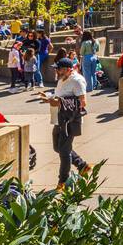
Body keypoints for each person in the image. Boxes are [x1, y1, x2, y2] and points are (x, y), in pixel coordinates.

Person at [42, 58, 90, 192]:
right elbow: (61, 96)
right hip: (58, 118)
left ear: (69, 69)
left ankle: (63, 181)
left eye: (59, 68)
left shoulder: (77, 80)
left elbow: (82, 102)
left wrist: (59, 102)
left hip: (70, 121)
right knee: (58, 147)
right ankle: (82, 165)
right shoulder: (62, 79)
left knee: (64, 152)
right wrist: (49, 97)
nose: (56, 71)